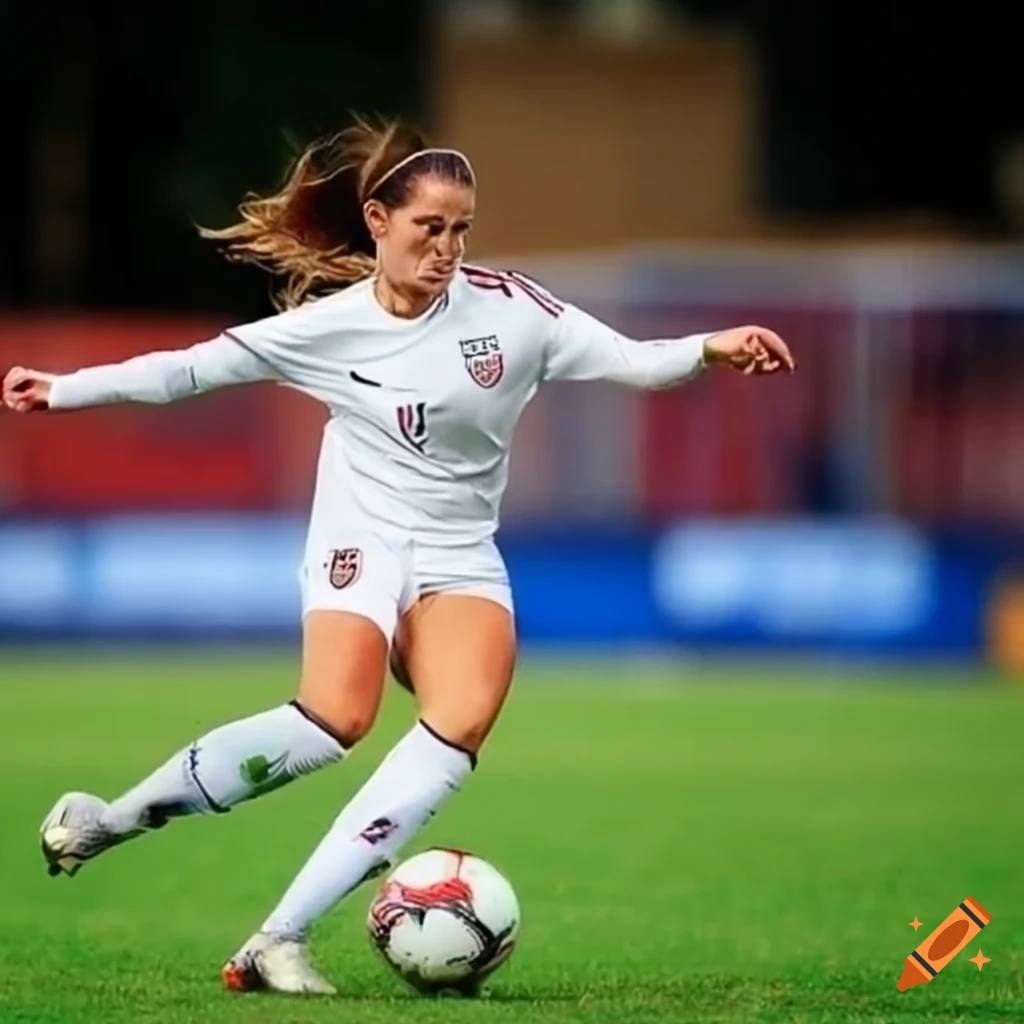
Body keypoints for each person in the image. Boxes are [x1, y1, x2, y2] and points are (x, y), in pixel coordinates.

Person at [2, 116, 795, 996]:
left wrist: (711, 348)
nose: (449, 247)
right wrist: (62, 389)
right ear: (378, 221)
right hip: (361, 531)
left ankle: (276, 940)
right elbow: (188, 371)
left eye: (461, 229)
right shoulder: (327, 329)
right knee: (335, 719)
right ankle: (114, 819)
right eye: (430, 227)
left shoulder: (513, 313)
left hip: (460, 548)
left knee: (462, 720)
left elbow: (633, 361)